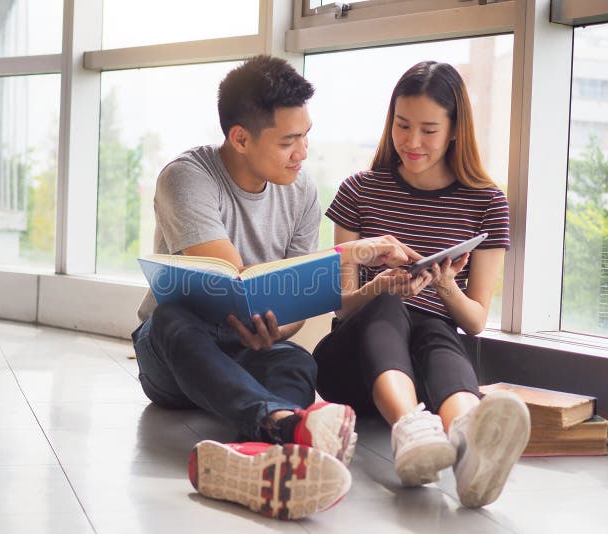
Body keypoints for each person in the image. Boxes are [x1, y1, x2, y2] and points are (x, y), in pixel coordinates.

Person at [132, 55, 419, 520]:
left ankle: (257, 452)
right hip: (176, 352)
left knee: (297, 361)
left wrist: (278, 330)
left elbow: (295, 305)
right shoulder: (186, 177)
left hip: (248, 351)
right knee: (172, 320)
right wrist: (354, 253)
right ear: (240, 138)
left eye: (305, 136)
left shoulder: (300, 191)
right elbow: (234, 281)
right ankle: (284, 426)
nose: (302, 153)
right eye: (288, 141)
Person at [313, 61, 532, 509]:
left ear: (454, 130)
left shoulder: (487, 203)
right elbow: (340, 307)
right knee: (390, 304)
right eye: (402, 125)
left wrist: (447, 285)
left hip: (425, 365)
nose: (412, 142)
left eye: (428, 130)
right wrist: (382, 286)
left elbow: (474, 321)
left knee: (435, 329)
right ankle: (409, 427)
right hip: (350, 365)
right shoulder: (359, 191)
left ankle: (468, 440)